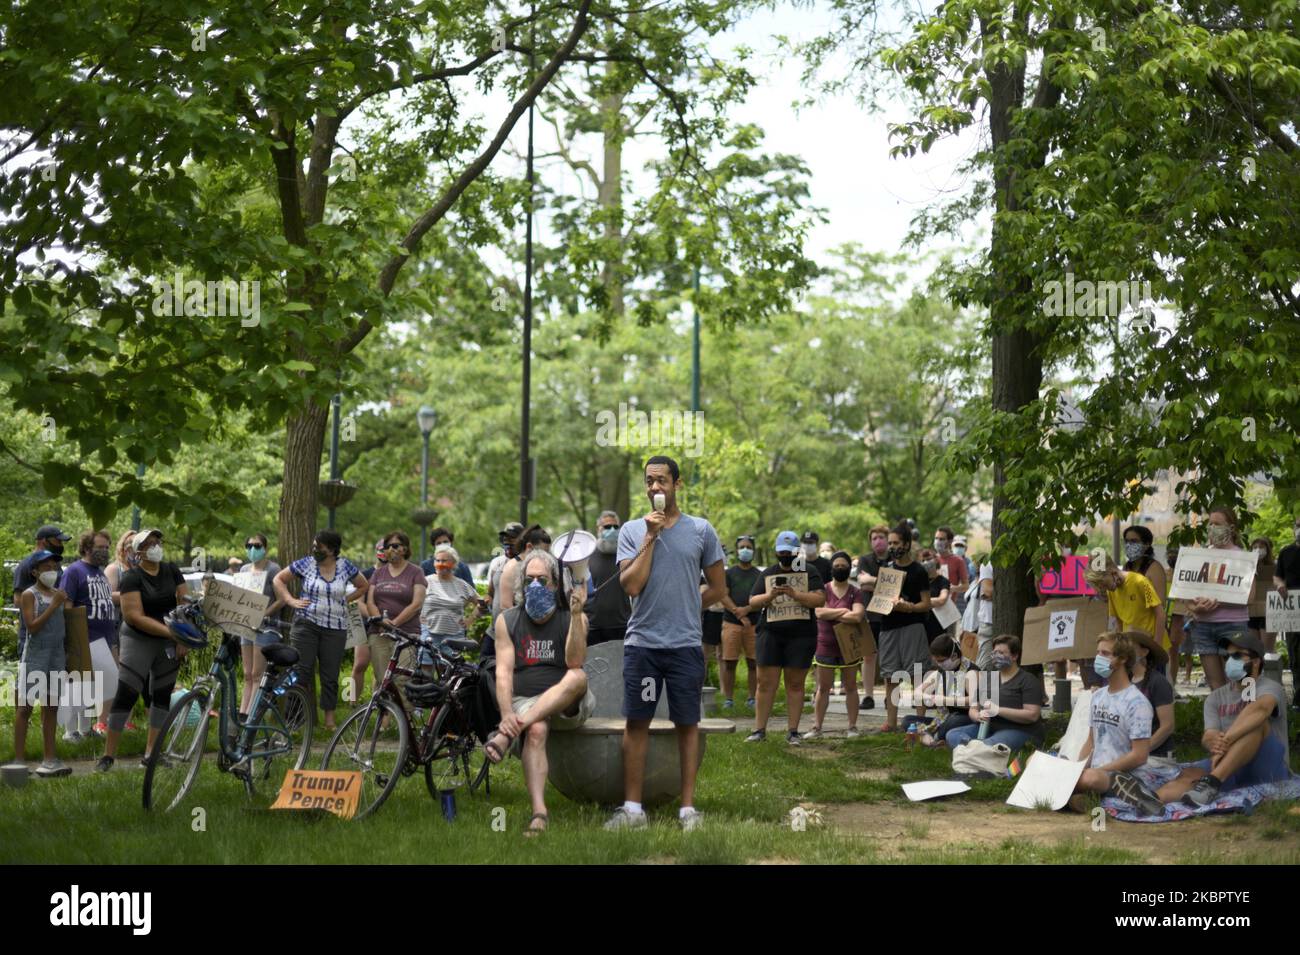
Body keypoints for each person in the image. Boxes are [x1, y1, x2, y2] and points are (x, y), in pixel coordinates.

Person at [604, 456, 725, 831]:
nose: (655, 488)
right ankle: (633, 809)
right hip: (643, 645)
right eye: (649, 482)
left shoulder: (701, 530)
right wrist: (650, 538)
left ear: (677, 484)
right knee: (637, 722)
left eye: (662, 481)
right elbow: (632, 585)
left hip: (686, 645)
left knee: (687, 723)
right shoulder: (631, 531)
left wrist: (688, 602)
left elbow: (719, 588)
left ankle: (688, 810)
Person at [484, 550, 594, 834]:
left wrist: (577, 616)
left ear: (556, 584)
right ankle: (539, 813)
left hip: (566, 702)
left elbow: (574, 662)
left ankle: (508, 733)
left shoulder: (572, 615)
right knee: (535, 732)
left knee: (578, 677)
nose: (535, 586)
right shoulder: (507, 620)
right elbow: (504, 673)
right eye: (530, 579)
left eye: (542, 580)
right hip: (524, 701)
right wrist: (507, 712)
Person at [1156, 632, 1290, 806]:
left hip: (1267, 766)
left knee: (1256, 725)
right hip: (1230, 764)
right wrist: (1212, 742)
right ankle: (1152, 798)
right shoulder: (1215, 697)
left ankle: (1213, 782)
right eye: (1226, 656)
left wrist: (1225, 741)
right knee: (1189, 773)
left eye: (1236, 655)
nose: (1229, 661)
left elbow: (1261, 709)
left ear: (1256, 661)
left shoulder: (1270, 687)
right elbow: (1209, 735)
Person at [96, 530, 190, 772]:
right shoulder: (132, 577)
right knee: (126, 693)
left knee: (161, 695)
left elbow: (184, 602)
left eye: (158, 541)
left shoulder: (172, 570)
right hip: (139, 639)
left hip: (168, 641)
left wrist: (184, 638)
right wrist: (172, 633)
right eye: (149, 543)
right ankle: (108, 756)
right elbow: (134, 616)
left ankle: (152, 753)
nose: (156, 546)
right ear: (138, 552)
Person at [273, 530, 368, 733]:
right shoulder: (306, 564)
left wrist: (345, 601)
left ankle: (329, 721)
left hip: (335, 629)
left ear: (332, 550)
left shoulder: (345, 567)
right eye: (314, 546)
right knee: (300, 672)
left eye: (320, 547)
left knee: (330, 674)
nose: (315, 550)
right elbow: (278, 579)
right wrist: (290, 600)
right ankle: (293, 721)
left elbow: (363, 585)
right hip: (307, 624)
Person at [1069, 632, 1164, 816]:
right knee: (1036, 760)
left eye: (1105, 653)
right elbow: (1091, 742)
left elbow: (1139, 755)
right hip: (1095, 771)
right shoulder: (1097, 696)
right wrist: (1076, 767)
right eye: (1098, 652)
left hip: (1124, 775)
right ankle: (1084, 798)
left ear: (1122, 659)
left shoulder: (1137, 703)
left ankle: (1084, 793)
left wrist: (1097, 770)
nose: (1098, 658)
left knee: (1090, 778)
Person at [745, 531, 826, 744]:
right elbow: (753, 601)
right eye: (781, 552)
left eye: (789, 552)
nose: (785, 556)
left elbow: (819, 599)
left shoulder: (809, 571)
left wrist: (796, 594)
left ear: (797, 552)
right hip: (770, 634)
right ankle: (759, 730)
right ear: (775, 552)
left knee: (796, 684)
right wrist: (769, 596)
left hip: (801, 636)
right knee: (765, 683)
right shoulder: (767, 574)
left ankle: (793, 731)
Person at [57, 530, 119, 741]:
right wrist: (71, 638)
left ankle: (85, 729)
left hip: (104, 638)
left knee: (91, 687)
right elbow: (66, 604)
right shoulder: (74, 571)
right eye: (100, 547)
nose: (104, 551)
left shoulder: (100, 573)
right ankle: (70, 731)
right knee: (76, 685)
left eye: (107, 547)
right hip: (84, 636)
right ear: (86, 548)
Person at [15, 549, 72, 776]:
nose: (51, 571)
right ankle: (18, 761)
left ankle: (50, 758)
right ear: (35, 571)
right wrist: (54, 604)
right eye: (46, 567)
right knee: (25, 707)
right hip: (35, 655)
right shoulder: (30, 594)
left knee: (51, 707)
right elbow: (33, 627)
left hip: (56, 656)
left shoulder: (59, 593)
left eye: (54, 567)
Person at [1184, 506, 1249, 691]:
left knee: (1237, 681)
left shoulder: (1243, 558)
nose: (1212, 527)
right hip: (1203, 626)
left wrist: (1218, 601)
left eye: (1217, 524)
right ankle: (1221, 719)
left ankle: (1241, 719)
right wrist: (1194, 607)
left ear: (1231, 528)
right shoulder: (1199, 556)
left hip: (1232, 625)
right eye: (1210, 523)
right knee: (1215, 685)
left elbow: (1249, 596)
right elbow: (1185, 592)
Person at [945, 634, 1044, 752]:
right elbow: (973, 709)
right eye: (994, 653)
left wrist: (997, 710)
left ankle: (972, 750)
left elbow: (1032, 715)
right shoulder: (989, 679)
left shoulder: (1027, 680)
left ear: (1014, 656)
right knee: (953, 734)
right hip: (988, 728)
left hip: (1019, 730)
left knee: (988, 745)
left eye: (1001, 653)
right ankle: (975, 750)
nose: (996, 656)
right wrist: (977, 716)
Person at [877, 523, 932, 732]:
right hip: (888, 627)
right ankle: (891, 722)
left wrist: (909, 607)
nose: (892, 546)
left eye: (896, 542)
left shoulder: (919, 570)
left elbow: (926, 604)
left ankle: (920, 722)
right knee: (891, 676)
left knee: (917, 674)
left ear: (907, 544)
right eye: (890, 543)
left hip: (912, 627)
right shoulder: (886, 569)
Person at [364, 531, 427, 701]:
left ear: (405, 548)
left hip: (407, 633)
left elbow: (417, 604)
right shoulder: (378, 573)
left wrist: (395, 623)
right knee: (382, 678)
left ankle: (405, 719)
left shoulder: (416, 572)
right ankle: (384, 722)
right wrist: (381, 621)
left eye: (395, 545)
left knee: (402, 678)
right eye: (387, 546)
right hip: (379, 632)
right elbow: (370, 601)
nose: (391, 549)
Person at [807, 550, 864, 739]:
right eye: (837, 565)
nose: (840, 568)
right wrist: (844, 611)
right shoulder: (823, 589)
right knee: (823, 688)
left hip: (849, 646)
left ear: (849, 568)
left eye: (844, 566)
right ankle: (817, 727)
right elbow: (818, 613)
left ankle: (852, 726)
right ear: (831, 568)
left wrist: (832, 612)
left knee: (851, 686)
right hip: (825, 645)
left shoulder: (855, 592)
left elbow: (857, 616)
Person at [236, 532, 284, 720]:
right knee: (247, 674)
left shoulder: (273, 569)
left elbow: (281, 600)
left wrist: (265, 613)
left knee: (258, 674)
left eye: (257, 546)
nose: (253, 550)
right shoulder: (243, 570)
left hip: (265, 628)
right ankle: (242, 714)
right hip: (246, 627)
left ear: (265, 548)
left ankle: (251, 717)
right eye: (249, 546)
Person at [1084, 555, 1165, 658]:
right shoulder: (1111, 592)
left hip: (1151, 644)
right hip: (1132, 648)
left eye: (1103, 584)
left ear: (1112, 572)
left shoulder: (1139, 581)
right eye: (1099, 586)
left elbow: (1160, 613)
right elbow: (1119, 621)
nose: (1102, 588)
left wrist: (1156, 646)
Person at [12, 525, 72, 664]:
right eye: (58, 541)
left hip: (55, 639)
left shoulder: (56, 565)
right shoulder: (26, 565)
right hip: (33, 640)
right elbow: (18, 600)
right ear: (43, 541)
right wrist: (46, 602)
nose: (61, 545)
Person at [719, 535, 760, 709]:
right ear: (736, 551)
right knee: (730, 662)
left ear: (753, 550)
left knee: (753, 662)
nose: (745, 550)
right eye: (742, 547)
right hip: (731, 622)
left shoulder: (759, 574)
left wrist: (747, 610)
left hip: (754, 623)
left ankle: (752, 698)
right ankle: (729, 699)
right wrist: (739, 613)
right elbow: (723, 595)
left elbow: (761, 598)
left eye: (748, 547)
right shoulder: (729, 573)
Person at [853, 524, 892, 711]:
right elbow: (863, 584)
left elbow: (896, 586)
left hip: (891, 614)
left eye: (881, 537)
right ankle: (868, 696)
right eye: (874, 538)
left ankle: (889, 696)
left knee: (888, 657)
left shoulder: (894, 559)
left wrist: (873, 581)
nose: (878, 541)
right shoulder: (865, 560)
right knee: (868, 656)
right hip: (870, 615)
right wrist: (884, 583)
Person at [916, 634, 979, 747]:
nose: (939, 664)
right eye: (936, 661)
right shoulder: (941, 671)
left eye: (941, 660)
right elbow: (917, 691)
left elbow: (973, 701)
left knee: (952, 722)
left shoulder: (971, 672)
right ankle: (934, 739)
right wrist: (929, 697)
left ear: (954, 656)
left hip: (966, 717)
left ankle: (930, 737)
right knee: (907, 720)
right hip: (944, 717)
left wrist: (945, 700)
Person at [420, 542, 480, 659]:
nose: (440, 564)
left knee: (448, 673)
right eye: (437, 561)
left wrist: (470, 620)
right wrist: (417, 617)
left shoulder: (462, 585)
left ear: (453, 564)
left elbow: (481, 604)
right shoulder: (426, 581)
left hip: (454, 638)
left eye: (444, 561)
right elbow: (413, 601)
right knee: (425, 671)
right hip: (429, 634)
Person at [1123, 524, 1170, 670]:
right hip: (1130, 634)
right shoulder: (1126, 568)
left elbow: (1160, 608)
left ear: (1147, 544)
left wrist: (1156, 643)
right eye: (1127, 541)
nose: (1130, 545)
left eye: (1134, 541)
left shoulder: (1154, 568)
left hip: (1150, 634)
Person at [1127, 630, 1175, 762]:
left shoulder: (1157, 682)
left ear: (1144, 652)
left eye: (1129, 646)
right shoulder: (1125, 681)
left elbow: (1167, 726)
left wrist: (1139, 751)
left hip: (1156, 756)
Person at [586, 511, 631, 646]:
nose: (611, 530)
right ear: (598, 529)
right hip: (593, 626)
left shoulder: (627, 553)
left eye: (615, 527)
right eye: (606, 527)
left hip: (622, 625)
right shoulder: (587, 555)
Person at [1274, 517, 1300, 708]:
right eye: (1298, 525)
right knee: (1295, 654)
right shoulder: (1286, 552)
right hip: (1292, 612)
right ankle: (1298, 697)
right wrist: (1280, 585)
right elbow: (1277, 576)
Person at [498, 526, 551, 613]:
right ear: (529, 546)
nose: (545, 556)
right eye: (543, 551)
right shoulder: (512, 567)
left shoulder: (534, 565)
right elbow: (506, 606)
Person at [487, 521, 524, 624]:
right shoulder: (497, 563)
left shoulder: (528, 564)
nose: (508, 543)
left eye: (512, 539)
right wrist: (486, 602)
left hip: (516, 627)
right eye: (505, 539)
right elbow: (490, 593)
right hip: (494, 629)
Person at [1247, 536, 1275, 652]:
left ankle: (1270, 670)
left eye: (1261, 547)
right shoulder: (1246, 568)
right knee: (1255, 650)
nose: (1258, 549)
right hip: (1252, 612)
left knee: (1267, 649)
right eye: (1255, 547)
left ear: (1267, 550)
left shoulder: (1275, 568)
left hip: (1269, 612)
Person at [932, 527, 969, 604]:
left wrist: (953, 588)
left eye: (941, 539)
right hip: (931, 606)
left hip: (949, 607)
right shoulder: (931, 559)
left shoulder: (958, 561)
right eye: (936, 538)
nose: (938, 541)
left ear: (950, 541)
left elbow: (966, 586)